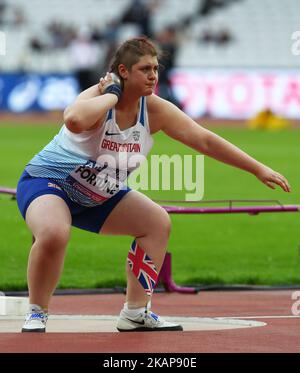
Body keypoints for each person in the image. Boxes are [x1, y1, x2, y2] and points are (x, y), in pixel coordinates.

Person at [16, 37, 291, 333]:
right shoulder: (97, 96)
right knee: (55, 232)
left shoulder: (156, 110)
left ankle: (135, 312)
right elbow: (73, 121)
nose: (153, 76)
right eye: (145, 69)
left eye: (156, 69)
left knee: (157, 222)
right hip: (48, 182)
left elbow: (204, 140)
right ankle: (37, 311)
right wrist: (111, 95)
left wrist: (257, 168)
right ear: (123, 71)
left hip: (98, 195)